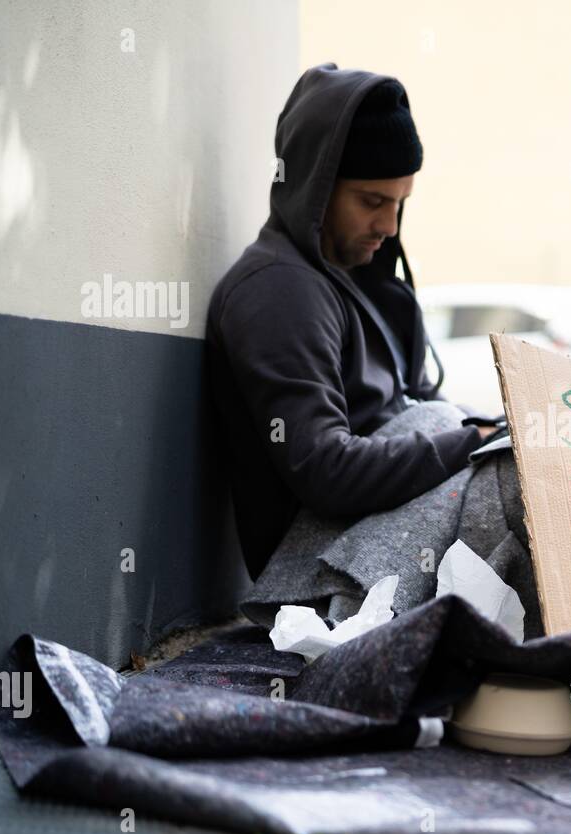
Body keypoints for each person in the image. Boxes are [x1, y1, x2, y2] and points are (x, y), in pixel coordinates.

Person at [205, 64, 498, 580]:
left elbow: (423, 403)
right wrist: (472, 441)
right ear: (317, 188)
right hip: (316, 568)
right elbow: (325, 471)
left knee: (547, 464)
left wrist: (494, 431)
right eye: (371, 202)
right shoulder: (276, 289)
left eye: (399, 203)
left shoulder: (365, 281)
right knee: (512, 488)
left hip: (382, 533)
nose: (388, 226)